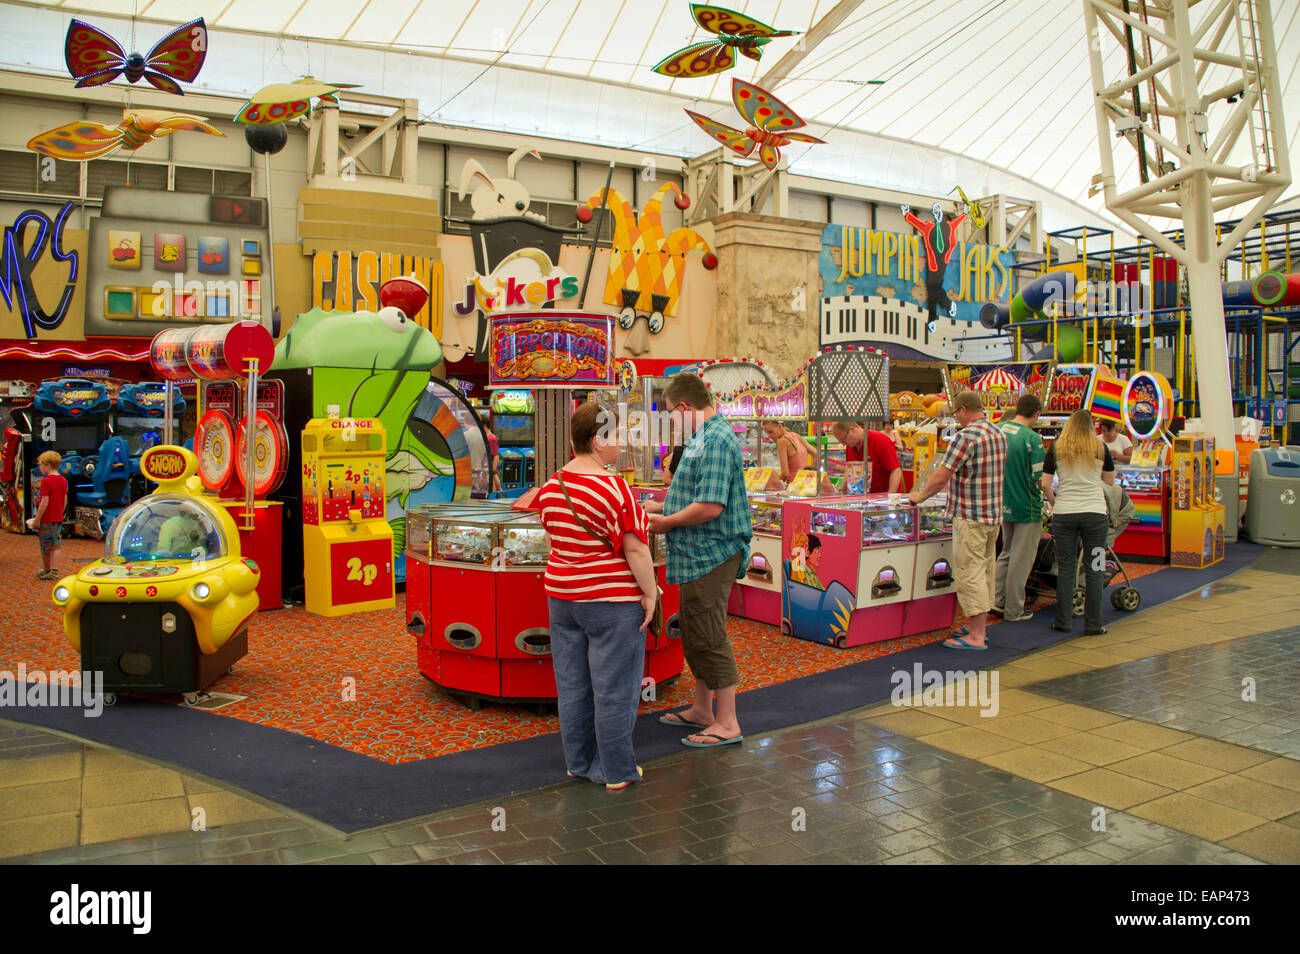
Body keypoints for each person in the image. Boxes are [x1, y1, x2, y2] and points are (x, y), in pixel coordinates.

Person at [537, 402, 658, 790]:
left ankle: (578, 761)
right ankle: (616, 770)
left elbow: (553, 540)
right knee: (615, 689)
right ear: (597, 440)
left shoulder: (552, 486)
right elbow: (636, 548)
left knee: (572, 686)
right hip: (611, 603)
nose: (622, 441)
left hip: (562, 598)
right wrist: (651, 593)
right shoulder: (615, 487)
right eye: (616, 434)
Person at [645, 373, 751, 748]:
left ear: (686, 407)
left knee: (709, 633)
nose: (672, 420)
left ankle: (727, 721)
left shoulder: (717, 440)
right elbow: (691, 495)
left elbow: (709, 507)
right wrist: (661, 507)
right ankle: (704, 709)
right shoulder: (698, 439)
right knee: (694, 632)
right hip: (695, 553)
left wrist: (665, 522)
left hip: (713, 551)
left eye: (672, 413)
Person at [908, 391, 1006, 650]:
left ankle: (976, 635)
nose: (957, 420)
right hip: (992, 516)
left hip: (970, 516)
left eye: (956, 414)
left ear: (963, 409)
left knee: (968, 572)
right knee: (985, 570)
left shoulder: (965, 437)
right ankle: (980, 627)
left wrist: (919, 496)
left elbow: (941, 476)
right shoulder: (998, 433)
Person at [1042, 408, 1116, 637]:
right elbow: (1110, 481)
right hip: (1095, 514)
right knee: (1095, 568)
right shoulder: (1101, 448)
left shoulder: (1057, 448)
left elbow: (1044, 484)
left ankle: (1063, 622)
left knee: (1066, 569)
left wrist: (1055, 501)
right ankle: (1094, 624)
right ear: (1091, 426)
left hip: (1065, 514)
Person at [993, 394, 1045, 623]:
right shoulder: (1033, 439)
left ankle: (997, 601)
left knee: (1005, 552)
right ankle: (1014, 610)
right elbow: (1040, 479)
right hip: (1028, 505)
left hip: (1002, 503)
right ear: (1036, 414)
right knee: (1021, 558)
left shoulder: (998, 430)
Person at [831, 420, 902, 493]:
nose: (843, 444)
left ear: (852, 430)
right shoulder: (850, 447)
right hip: (863, 498)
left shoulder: (880, 440)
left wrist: (890, 496)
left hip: (883, 497)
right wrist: (842, 489)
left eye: (844, 439)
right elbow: (849, 470)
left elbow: (895, 470)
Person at [27, 450, 66, 580]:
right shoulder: (62, 480)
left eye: (41, 465)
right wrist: (61, 511)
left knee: (45, 546)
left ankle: (47, 569)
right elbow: (65, 498)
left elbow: (44, 501)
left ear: (48, 465)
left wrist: (37, 519)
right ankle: (54, 570)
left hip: (47, 518)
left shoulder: (46, 481)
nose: (40, 467)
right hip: (58, 518)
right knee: (56, 544)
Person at [762, 421, 819, 485]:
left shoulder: (782, 441)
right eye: (767, 433)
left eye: (771, 432)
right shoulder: (796, 435)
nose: (769, 436)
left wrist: (769, 484)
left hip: (793, 485)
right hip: (805, 483)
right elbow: (816, 454)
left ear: (779, 426)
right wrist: (810, 473)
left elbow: (785, 474)